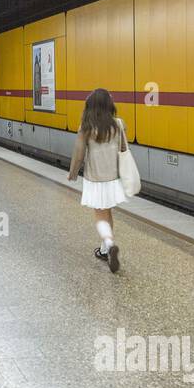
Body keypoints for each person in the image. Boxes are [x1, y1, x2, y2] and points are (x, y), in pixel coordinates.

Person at [67, 87, 129, 274]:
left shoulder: (86, 127)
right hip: (113, 178)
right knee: (107, 212)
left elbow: (79, 154)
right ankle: (104, 249)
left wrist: (73, 173)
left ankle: (109, 244)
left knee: (99, 215)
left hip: (95, 179)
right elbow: (124, 148)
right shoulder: (118, 124)